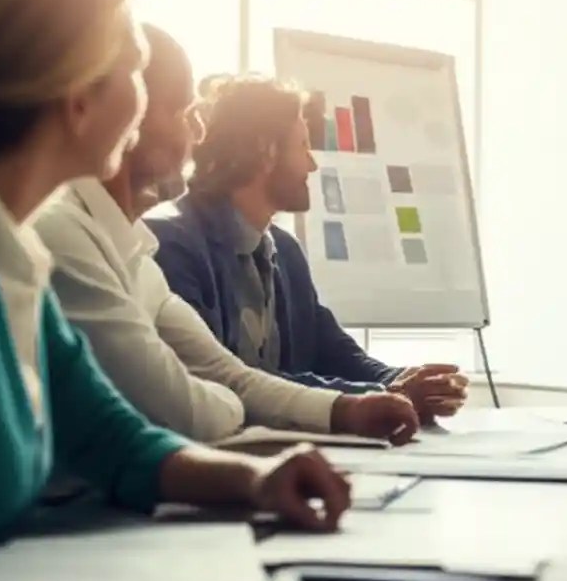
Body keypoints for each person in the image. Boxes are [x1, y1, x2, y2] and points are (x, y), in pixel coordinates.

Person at [0, 0, 350, 550]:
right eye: (136, 73)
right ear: (79, 99)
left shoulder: (10, 247)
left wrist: (256, 480)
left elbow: (112, 439)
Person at [33, 24, 420, 443]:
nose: (199, 136)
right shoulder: (65, 233)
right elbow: (186, 407)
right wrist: (244, 402)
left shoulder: (139, 252)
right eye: (184, 113)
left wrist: (356, 404)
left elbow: (227, 375)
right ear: (124, 121)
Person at [147, 75, 468, 421]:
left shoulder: (284, 250)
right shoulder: (172, 243)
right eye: (302, 145)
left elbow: (330, 348)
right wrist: (379, 395)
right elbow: (224, 380)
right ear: (265, 150)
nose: (312, 164)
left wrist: (400, 381)